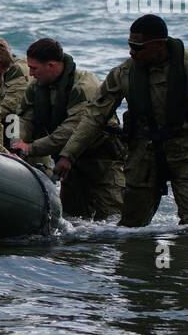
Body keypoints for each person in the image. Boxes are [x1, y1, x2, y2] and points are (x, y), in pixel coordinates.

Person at [55, 14, 188, 228]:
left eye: (138, 47)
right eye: (129, 45)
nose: (131, 52)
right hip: (143, 153)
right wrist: (68, 155)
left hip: (187, 150)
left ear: (158, 45)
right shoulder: (123, 73)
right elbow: (94, 117)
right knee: (131, 227)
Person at [11, 38, 125, 220]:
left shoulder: (84, 87)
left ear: (51, 66)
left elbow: (71, 130)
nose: (31, 74)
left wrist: (31, 148)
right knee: (72, 219)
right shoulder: (36, 87)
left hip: (102, 161)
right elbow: (22, 118)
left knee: (112, 219)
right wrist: (15, 143)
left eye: (34, 68)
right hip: (69, 164)